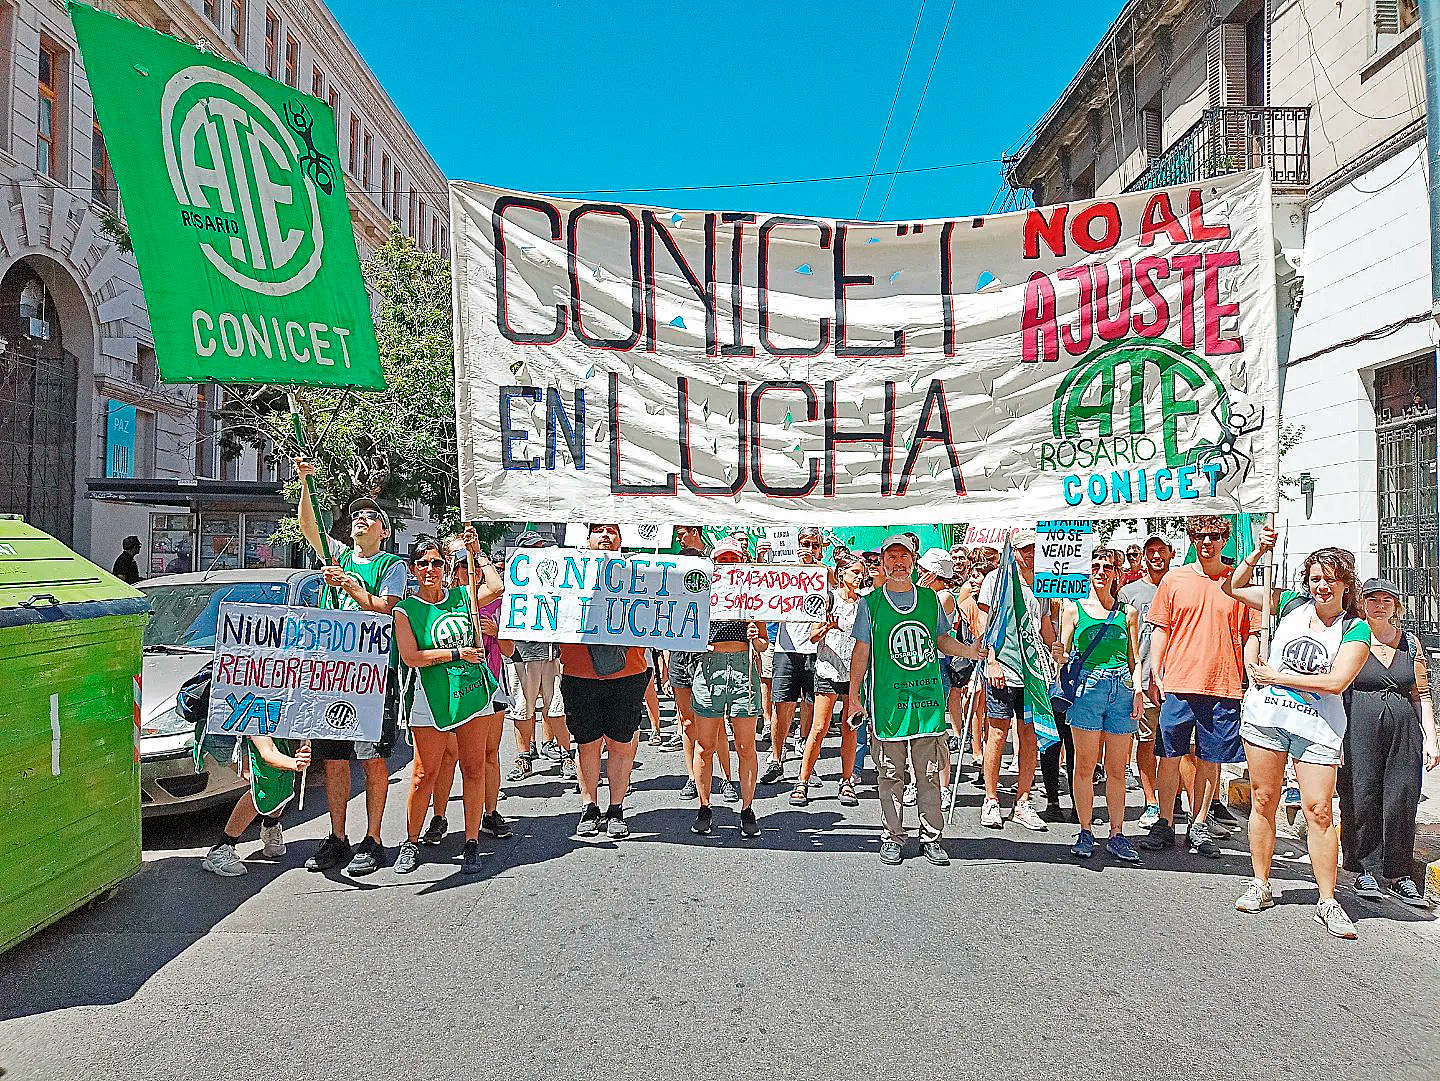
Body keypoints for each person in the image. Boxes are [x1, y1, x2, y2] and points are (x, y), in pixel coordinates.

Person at [1224, 534, 1370, 938]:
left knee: (1319, 810)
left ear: (1346, 584)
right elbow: (1234, 587)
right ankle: (1260, 883)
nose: (1322, 586)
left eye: (1330, 579)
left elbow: (1336, 682)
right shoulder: (1289, 603)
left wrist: (1276, 676)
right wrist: (1258, 551)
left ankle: (1327, 900)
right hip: (1269, 719)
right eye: (1315, 578)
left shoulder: (1355, 629)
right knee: (1263, 799)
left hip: (1317, 727)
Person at [294, 460, 406, 876]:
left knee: (372, 760)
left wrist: (350, 587)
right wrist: (305, 482)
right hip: (333, 676)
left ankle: (373, 839)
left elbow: (384, 609)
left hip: (373, 679)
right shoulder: (337, 555)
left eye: (371, 516)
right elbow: (309, 526)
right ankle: (338, 837)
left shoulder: (391, 566)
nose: (361, 518)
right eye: (357, 515)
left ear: (384, 531)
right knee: (334, 761)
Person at [846, 534, 981, 865]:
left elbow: (942, 640)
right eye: (891, 557)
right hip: (887, 703)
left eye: (903, 557)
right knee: (890, 774)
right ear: (882, 563)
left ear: (913, 561)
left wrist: (970, 651)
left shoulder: (930, 600)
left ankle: (931, 836)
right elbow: (861, 652)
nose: (898, 563)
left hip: (926, 703)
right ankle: (892, 835)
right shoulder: (870, 604)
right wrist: (853, 698)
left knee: (929, 774)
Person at [1137, 515, 1254, 860]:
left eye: (1214, 535)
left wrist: (1251, 673)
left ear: (1225, 539)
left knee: (1210, 759)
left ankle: (1199, 824)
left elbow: (1252, 633)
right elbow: (1160, 628)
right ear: (1191, 538)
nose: (1207, 542)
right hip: (1178, 682)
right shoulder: (1174, 579)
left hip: (1223, 684)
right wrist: (1155, 672)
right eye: (1200, 535)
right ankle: (1164, 821)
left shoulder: (1238, 582)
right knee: (1169, 754)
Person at [391, 531, 506, 875]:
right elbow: (412, 657)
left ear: (445, 567)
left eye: (437, 563)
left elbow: (496, 587)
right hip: (430, 698)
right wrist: (456, 653)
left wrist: (477, 551)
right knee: (423, 774)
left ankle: (471, 841)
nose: (430, 569)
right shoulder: (406, 610)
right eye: (423, 563)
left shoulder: (462, 597)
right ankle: (410, 842)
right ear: (413, 568)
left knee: (473, 769)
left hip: (472, 693)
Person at [1339, 578, 1439, 907]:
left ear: (1396, 605)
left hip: (1404, 729)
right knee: (1361, 795)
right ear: (1362, 603)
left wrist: (1432, 739)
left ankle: (1399, 874)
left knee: (1402, 797)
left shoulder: (1411, 643)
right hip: (1359, 726)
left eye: (1386, 600)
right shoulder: (1352, 638)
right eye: (1373, 599)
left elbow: (1421, 694)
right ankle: (1363, 869)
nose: (1379, 605)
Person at [560, 524, 651, 839]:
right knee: (586, 744)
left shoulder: (641, 572)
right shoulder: (568, 573)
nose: (605, 536)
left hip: (628, 673)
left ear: (621, 539)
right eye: (598, 530)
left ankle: (616, 809)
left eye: (611, 531)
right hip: (579, 673)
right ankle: (589, 807)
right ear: (587, 539)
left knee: (620, 744)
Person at [1058, 548, 1144, 862]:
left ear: (1116, 573)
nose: (1101, 571)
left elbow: (1135, 658)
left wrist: (1138, 690)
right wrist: (1057, 652)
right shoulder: (1072, 608)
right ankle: (1085, 829)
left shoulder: (1127, 613)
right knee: (1084, 765)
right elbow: (1063, 654)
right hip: (1087, 688)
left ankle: (1117, 833)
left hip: (1121, 688)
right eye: (1095, 565)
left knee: (1117, 768)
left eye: (1108, 567)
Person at [976, 530, 1057, 832]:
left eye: (1035, 547)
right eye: (1025, 548)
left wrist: (1056, 649)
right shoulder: (996, 580)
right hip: (1003, 667)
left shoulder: (1045, 583)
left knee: (1030, 736)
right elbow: (982, 623)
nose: (1031, 553)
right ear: (1014, 550)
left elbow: (1044, 624)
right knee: (997, 734)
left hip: (1033, 673)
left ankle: (1023, 801)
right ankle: (990, 798)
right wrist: (991, 661)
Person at [688, 536, 767, 836]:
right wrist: (700, 644)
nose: (729, 564)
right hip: (710, 669)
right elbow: (686, 635)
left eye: (734, 559)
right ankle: (704, 806)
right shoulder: (702, 595)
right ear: (714, 563)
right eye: (723, 559)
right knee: (705, 745)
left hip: (743, 670)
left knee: (746, 746)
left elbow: (763, 643)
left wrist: (756, 637)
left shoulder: (752, 597)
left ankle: (747, 808)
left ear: (742, 562)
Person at [795, 553, 866, 807]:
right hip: (827, 670)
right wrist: (828, 626)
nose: (859, 577)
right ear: (841, 573)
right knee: (819, 728)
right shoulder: (829, 598)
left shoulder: (864, 603)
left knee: (850, 728)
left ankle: (847, 781)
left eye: (862, 573)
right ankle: (802, 781)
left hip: (854, 673)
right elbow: (813, 636)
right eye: (855, 572)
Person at [506, 531, 574, 784]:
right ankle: (524, 757)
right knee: (522, 709)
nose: (539, 553)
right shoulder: (513, 583)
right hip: (522, 655)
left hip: (552, 654)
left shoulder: (556, 580)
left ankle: (566, 754)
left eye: (542, 548)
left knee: (557, 707)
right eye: (533, 549)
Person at [759, 525, 825, 784]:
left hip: (816, 649)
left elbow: (836, 580)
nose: (809, 549)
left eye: (814, 545)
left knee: (811, 704)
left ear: (820, 549)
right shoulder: (786, 570)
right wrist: (762, 559)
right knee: (782, 704)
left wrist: (815, 565)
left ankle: (807, 759)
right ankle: (776, 758)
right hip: (786, 647)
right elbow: (761, 585)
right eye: (805, 544)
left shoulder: (824, 572)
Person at [1118, 533, 1175, 828]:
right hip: (1143, 679)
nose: (1156, 556)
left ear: (1171, 553)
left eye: (1161, 550)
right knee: (1146, 742)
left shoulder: (1180, 586)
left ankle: (1173, 802)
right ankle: (1151, 801)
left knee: (1180, 746)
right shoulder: (1129, 593)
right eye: (1150, 550)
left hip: (1177, 678)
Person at [201, 735, 312, 875]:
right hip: (229, 735)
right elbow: (268, 753)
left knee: (280, 780)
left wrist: (304, 746)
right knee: (262, 786)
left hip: (263, 734)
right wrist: (296, 763)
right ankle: (222, 849)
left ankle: (271, 827)